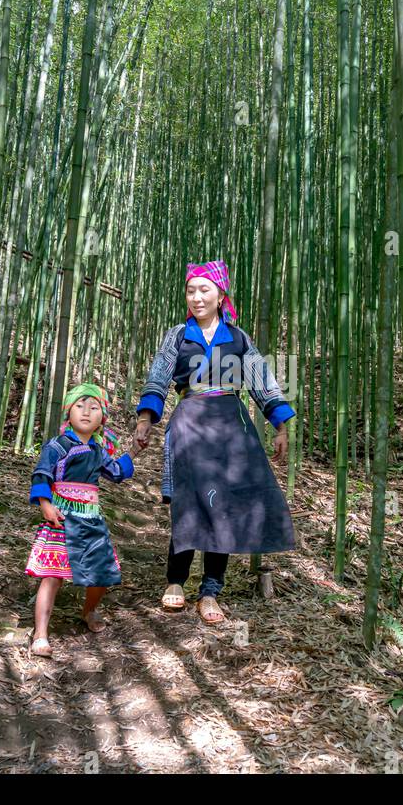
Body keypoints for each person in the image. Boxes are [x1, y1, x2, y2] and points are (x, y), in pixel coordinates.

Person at [133, 260, 296, 624]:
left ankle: (210, 590)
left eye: (204, 290)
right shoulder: (178, 335)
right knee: (188, 502)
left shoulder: (238, 338)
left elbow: (261, 381)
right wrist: (145, 419)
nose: (197, 297)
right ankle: (176, 581)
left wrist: (281, 426)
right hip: (190, 421)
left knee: (222, 507)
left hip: (230, 427)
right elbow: (158, 376)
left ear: (221, 296)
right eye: (191, 291)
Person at [25, 383, 139, 657]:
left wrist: (134, 451)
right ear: (69, 411)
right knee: (52, 575)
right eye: (80, 406)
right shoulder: (57, 445)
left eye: (94, 407)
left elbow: (116, 473)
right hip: (62, 517)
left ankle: (89, 611)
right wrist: (45, 504)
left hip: (91, 518)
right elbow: (42, 474)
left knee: (102, 572)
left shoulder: (98, 450)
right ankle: (40, 634)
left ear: (102, 418)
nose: (86, 412)